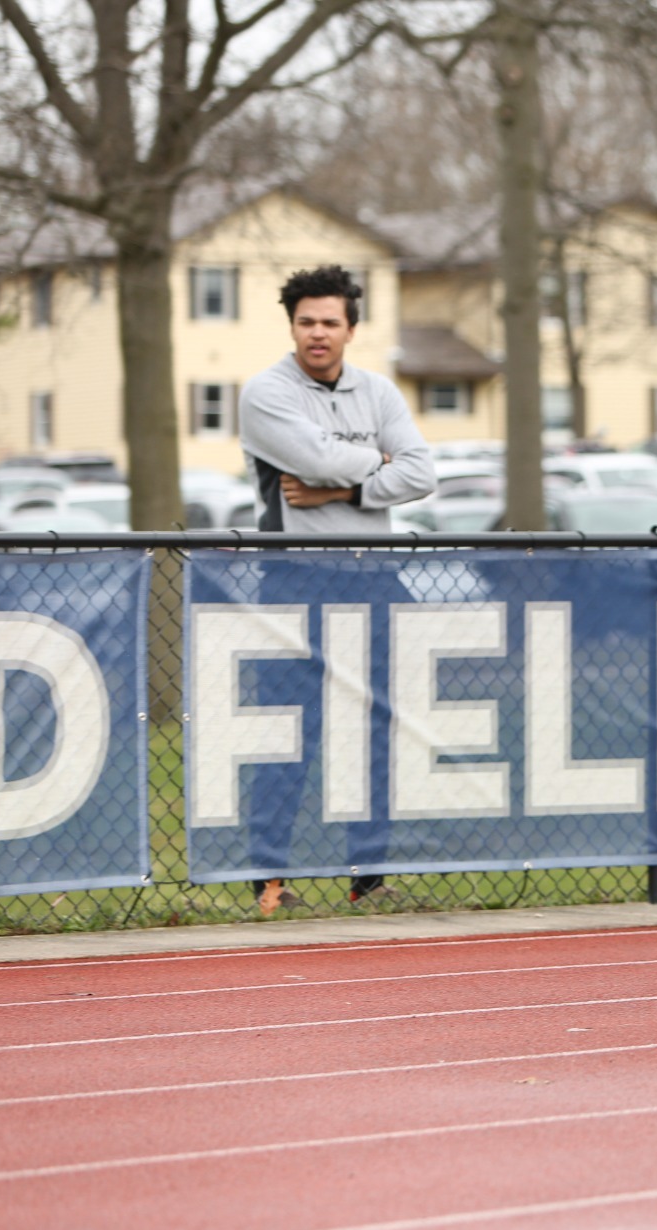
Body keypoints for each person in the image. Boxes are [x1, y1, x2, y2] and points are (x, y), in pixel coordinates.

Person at [238, 265, 436, 914]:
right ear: (292, 326)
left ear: (351, 328)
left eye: (330, 322)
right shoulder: (266, 392)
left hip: (374, 579)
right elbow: (316, 459)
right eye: (306, 322)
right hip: (294, 580)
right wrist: (379, 465)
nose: (317, 333)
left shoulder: (378, 392)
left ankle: (367, 879)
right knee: (286, 736)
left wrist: (343, 491)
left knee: (374, 734)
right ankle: (269, 883)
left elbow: (423, 473)